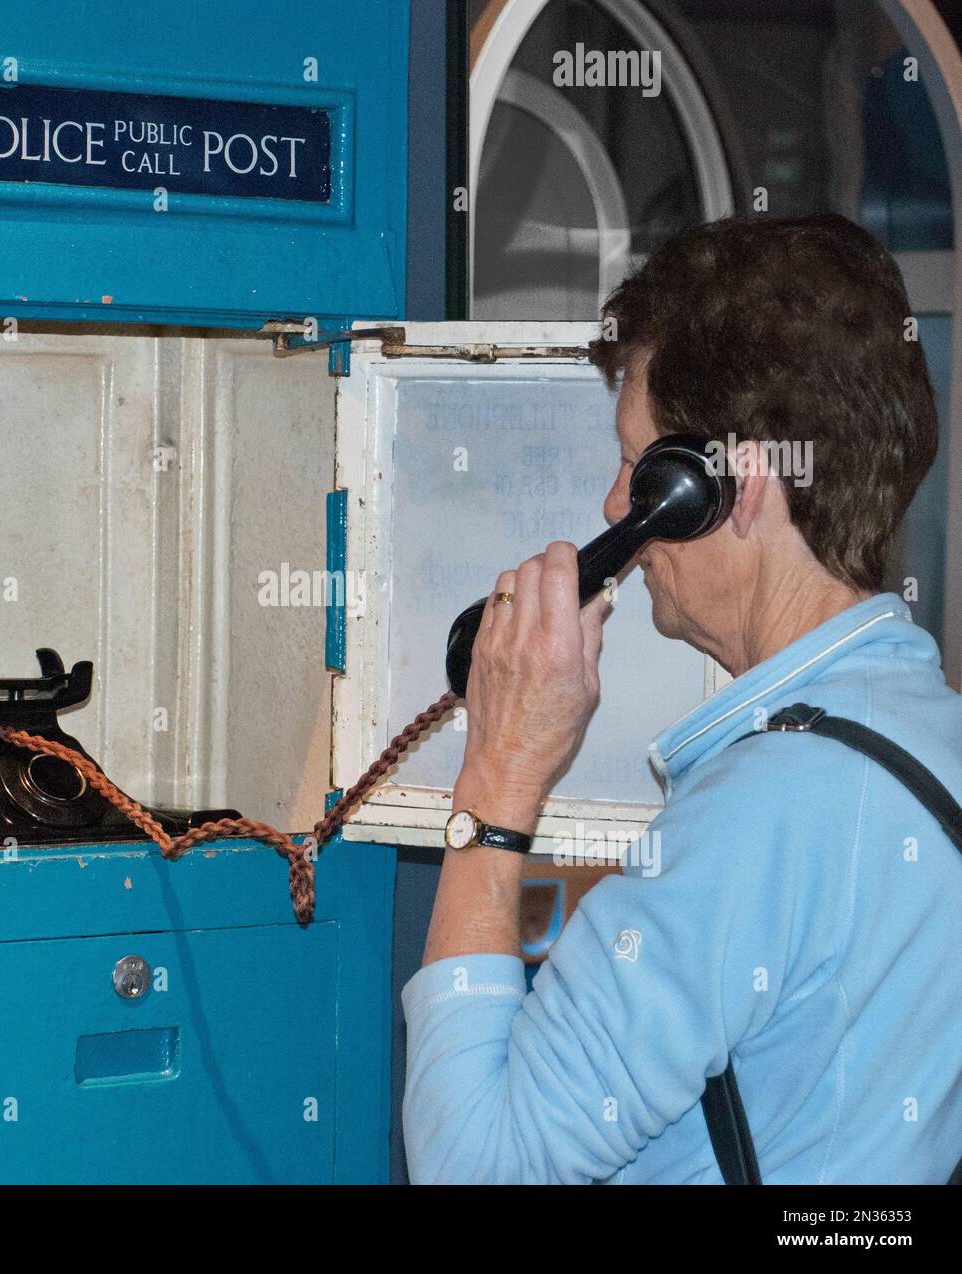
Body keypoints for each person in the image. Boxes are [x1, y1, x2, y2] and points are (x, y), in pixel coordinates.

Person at [402, 214, 962, 1183]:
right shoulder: (930, 738)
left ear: (726, 487)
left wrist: (495, 781)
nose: (615, 505)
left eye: (636, 461)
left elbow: (473, 1165)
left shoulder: (763, 812)